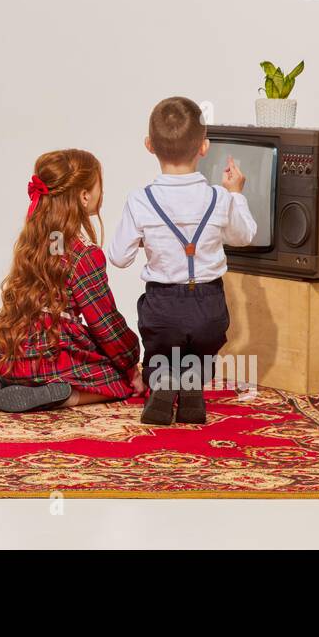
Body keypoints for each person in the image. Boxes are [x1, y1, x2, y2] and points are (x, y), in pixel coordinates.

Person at [106, 96, 256, 425]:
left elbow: (118, 257)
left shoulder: (140, 200)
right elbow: (245, 236)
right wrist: (236, 194)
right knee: (202, 346)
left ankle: (162, 384)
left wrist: (147, 237)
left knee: (161, 345)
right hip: (209, 308)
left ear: (149, 145)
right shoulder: (219, 196)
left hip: (163, 307)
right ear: (204, 148)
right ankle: (191, 392)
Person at [0, 149, 144, 414]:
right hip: (50, 350)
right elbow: (104, 322)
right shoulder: (84, 253)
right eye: (98, 186)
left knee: (84, 356)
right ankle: (61, 395)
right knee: (119, 382)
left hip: (14, 348)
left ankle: (4, 382)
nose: (101, 193)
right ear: (84, 196)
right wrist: (130, 363)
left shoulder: (35, 239)